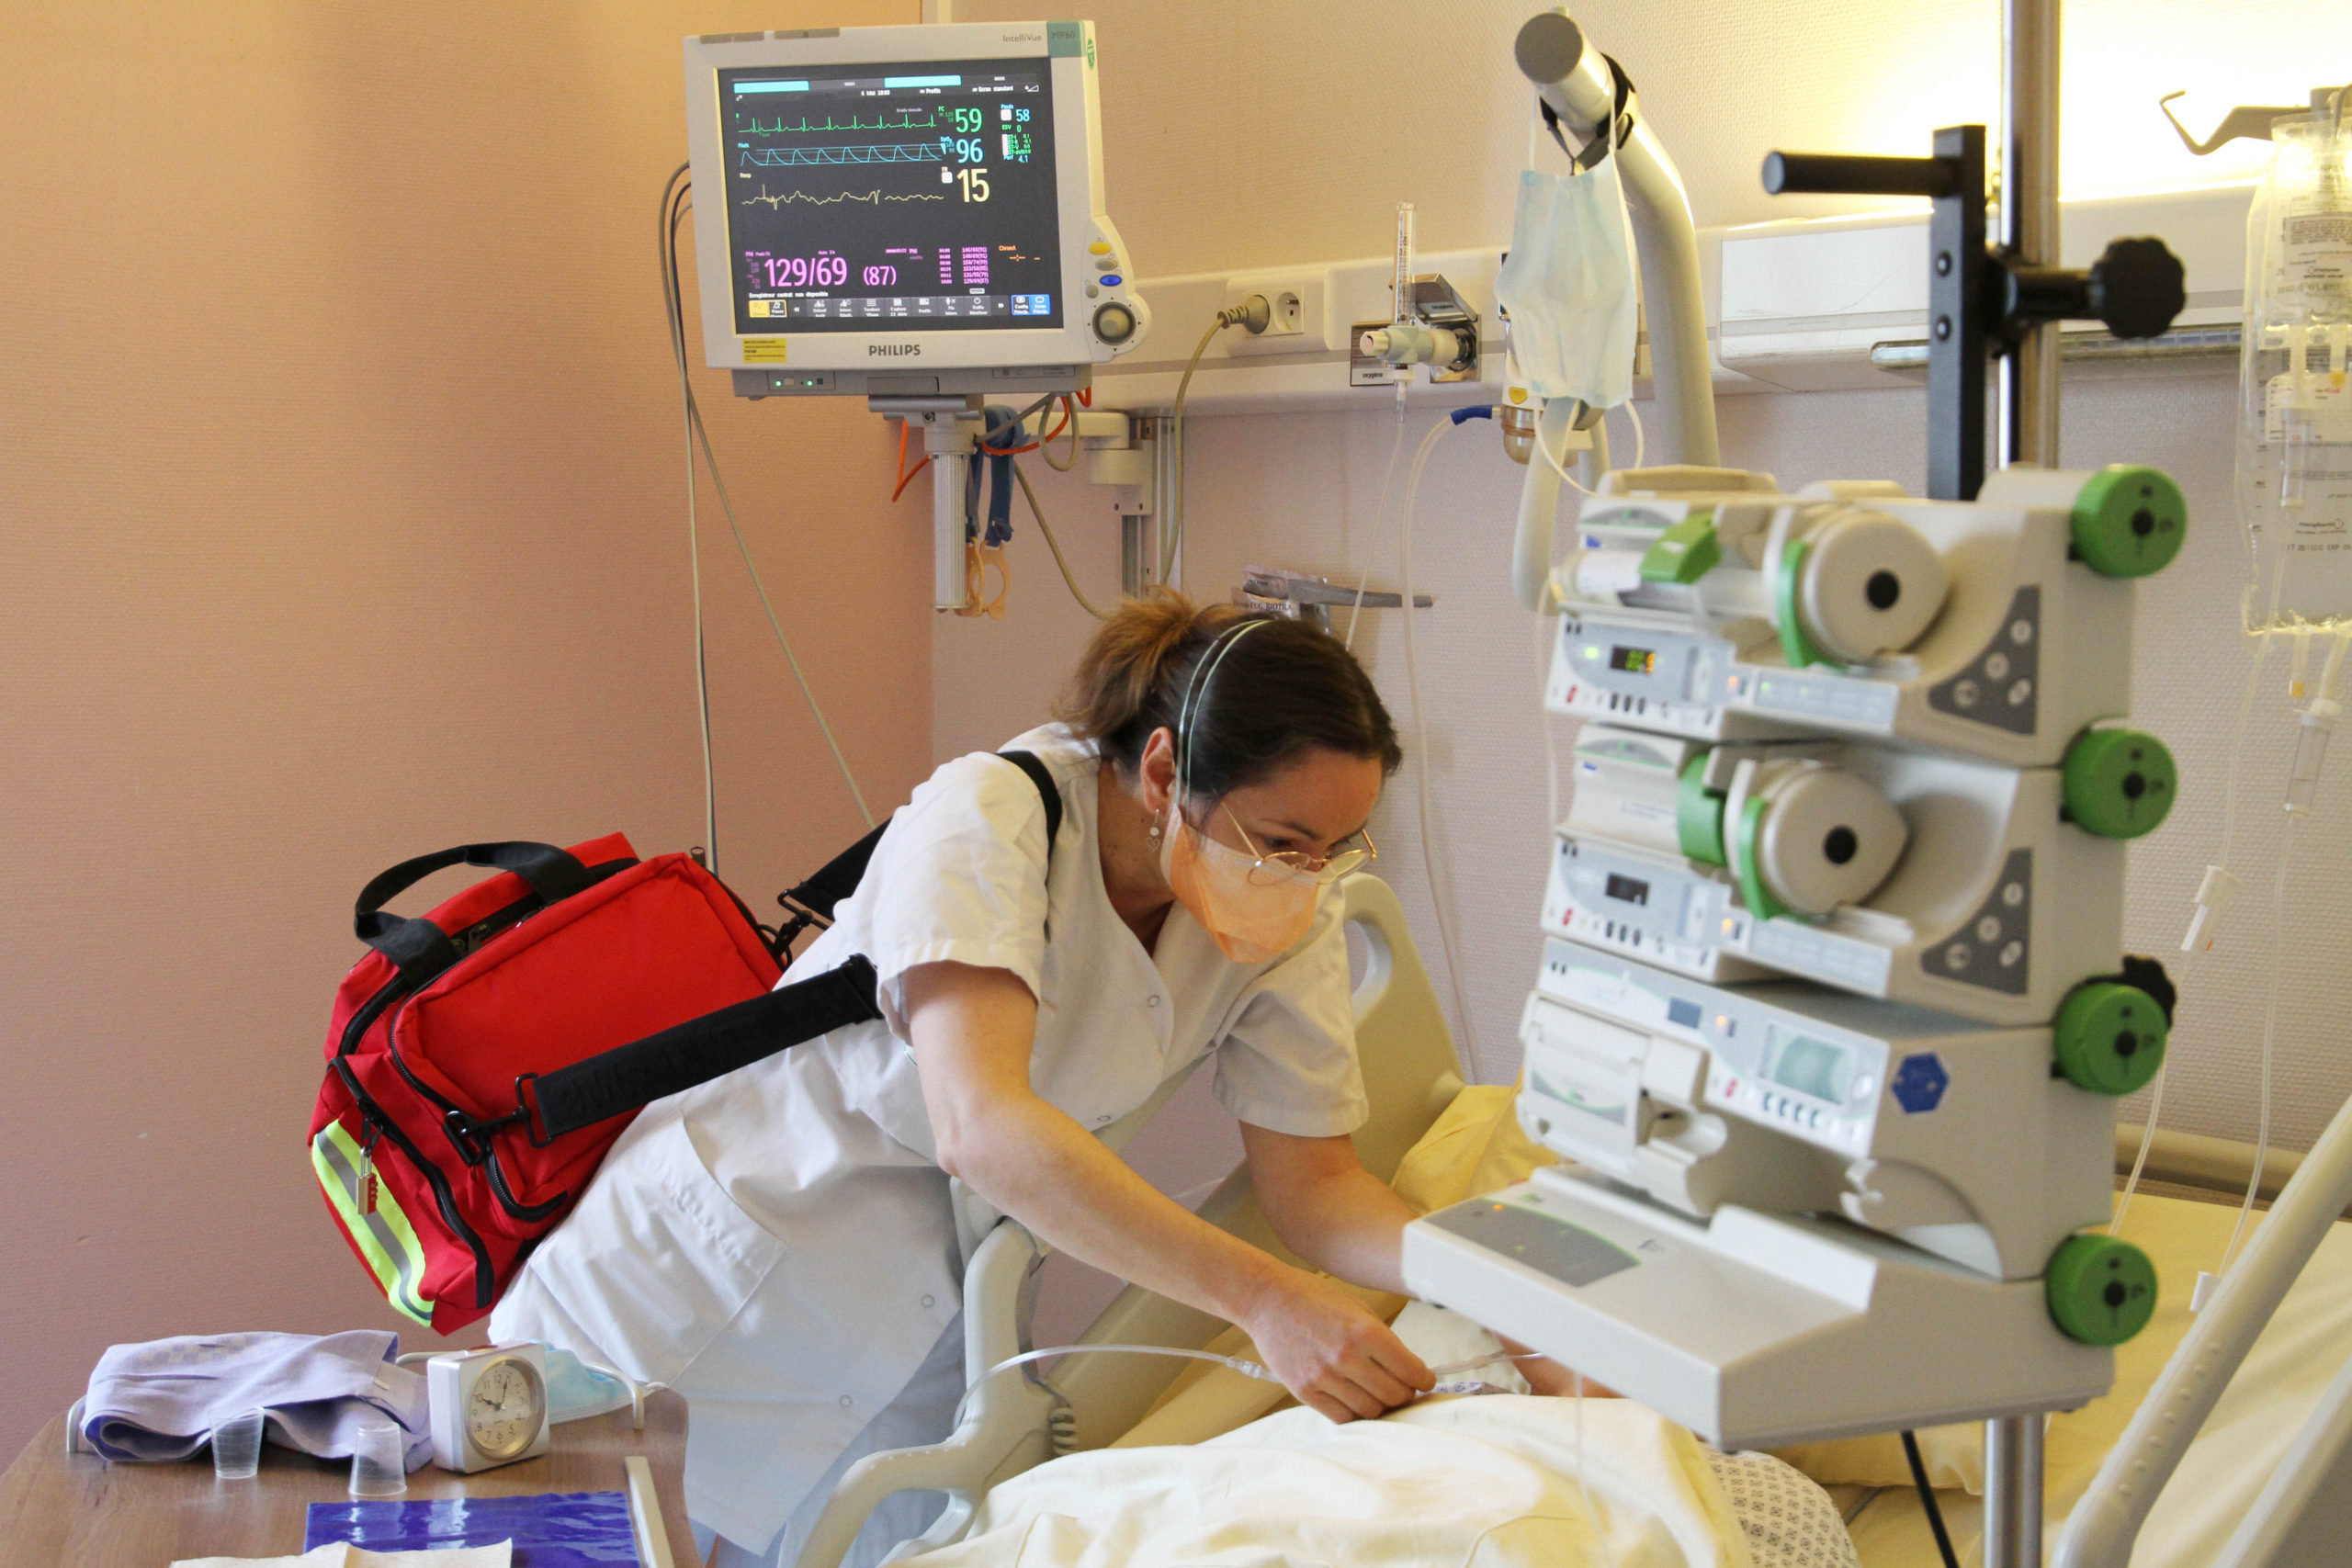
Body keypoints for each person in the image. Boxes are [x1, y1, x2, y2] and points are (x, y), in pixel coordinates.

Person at [490, 591, 1440, 1568]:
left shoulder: (1285, 916)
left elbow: (1317, 1189)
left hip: (916, 1344)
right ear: (1163, 771)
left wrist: (1497, 1280)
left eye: (1334, 848)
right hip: (695, 1292)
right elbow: (982, 1125)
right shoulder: (995, 815)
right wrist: (1268, 1303)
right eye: (1283, 840)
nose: (1306, 873)